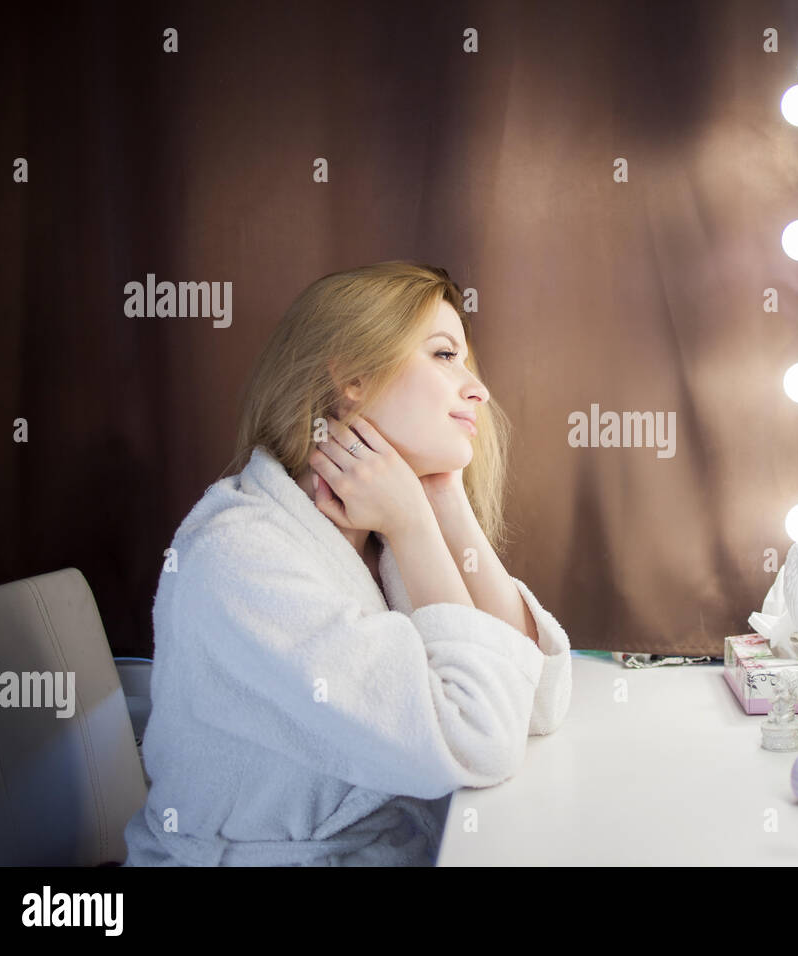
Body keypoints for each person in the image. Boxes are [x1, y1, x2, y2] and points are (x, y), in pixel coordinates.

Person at [121, 261, 571, 866]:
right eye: (444, 355)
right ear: (353, 377)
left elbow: (535, 700)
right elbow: (480, 739)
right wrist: (413, 523)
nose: (477, 389)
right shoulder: (239, 556)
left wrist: (442, 496)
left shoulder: (372, 543)